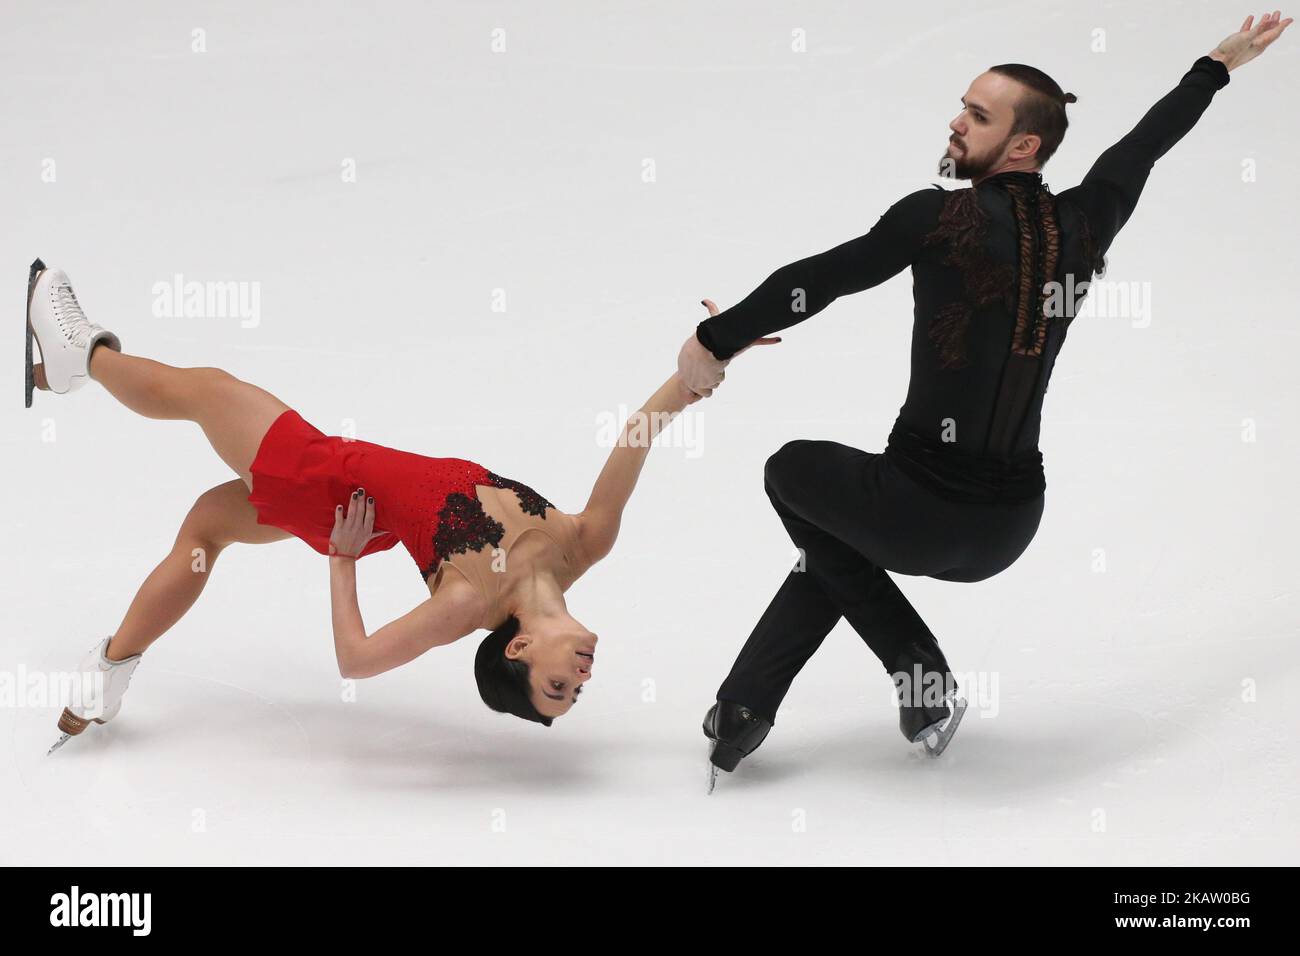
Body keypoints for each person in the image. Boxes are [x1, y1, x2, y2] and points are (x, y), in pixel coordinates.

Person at [677, 13, 1291, 779]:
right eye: (963, 107)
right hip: (1010, 528)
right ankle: (744, 709)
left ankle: (915, 668)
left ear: (1024, 144)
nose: (955, 123)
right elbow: (1145, 146)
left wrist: (716, 340)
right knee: (836, 540)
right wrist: (1214, 67)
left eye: (977, 115)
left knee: (790, 470)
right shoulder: (1088, 221)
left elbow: (820, 279)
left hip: (916, 513)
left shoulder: (935, 217)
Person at [27, 259, 701, 750]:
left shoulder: (468, 604)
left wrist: (341, 562)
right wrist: (697, 370)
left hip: (325, 485)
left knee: (208, 393)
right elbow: (635, 437)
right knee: (206, 530)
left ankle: (78, 355)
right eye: (572, 691)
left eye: (558, 688)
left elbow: (358, 659)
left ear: (520, 647)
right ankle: (107, 673)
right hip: (341, 498)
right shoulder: (585, 542)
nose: (579, 681)